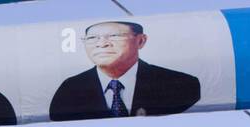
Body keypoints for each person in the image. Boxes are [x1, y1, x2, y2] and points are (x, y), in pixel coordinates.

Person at [50, 20, 200, 121]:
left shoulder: (181, 85)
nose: (102, 44)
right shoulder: (70, 90)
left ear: (140, 41)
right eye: (92, 38)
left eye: (114, 36)